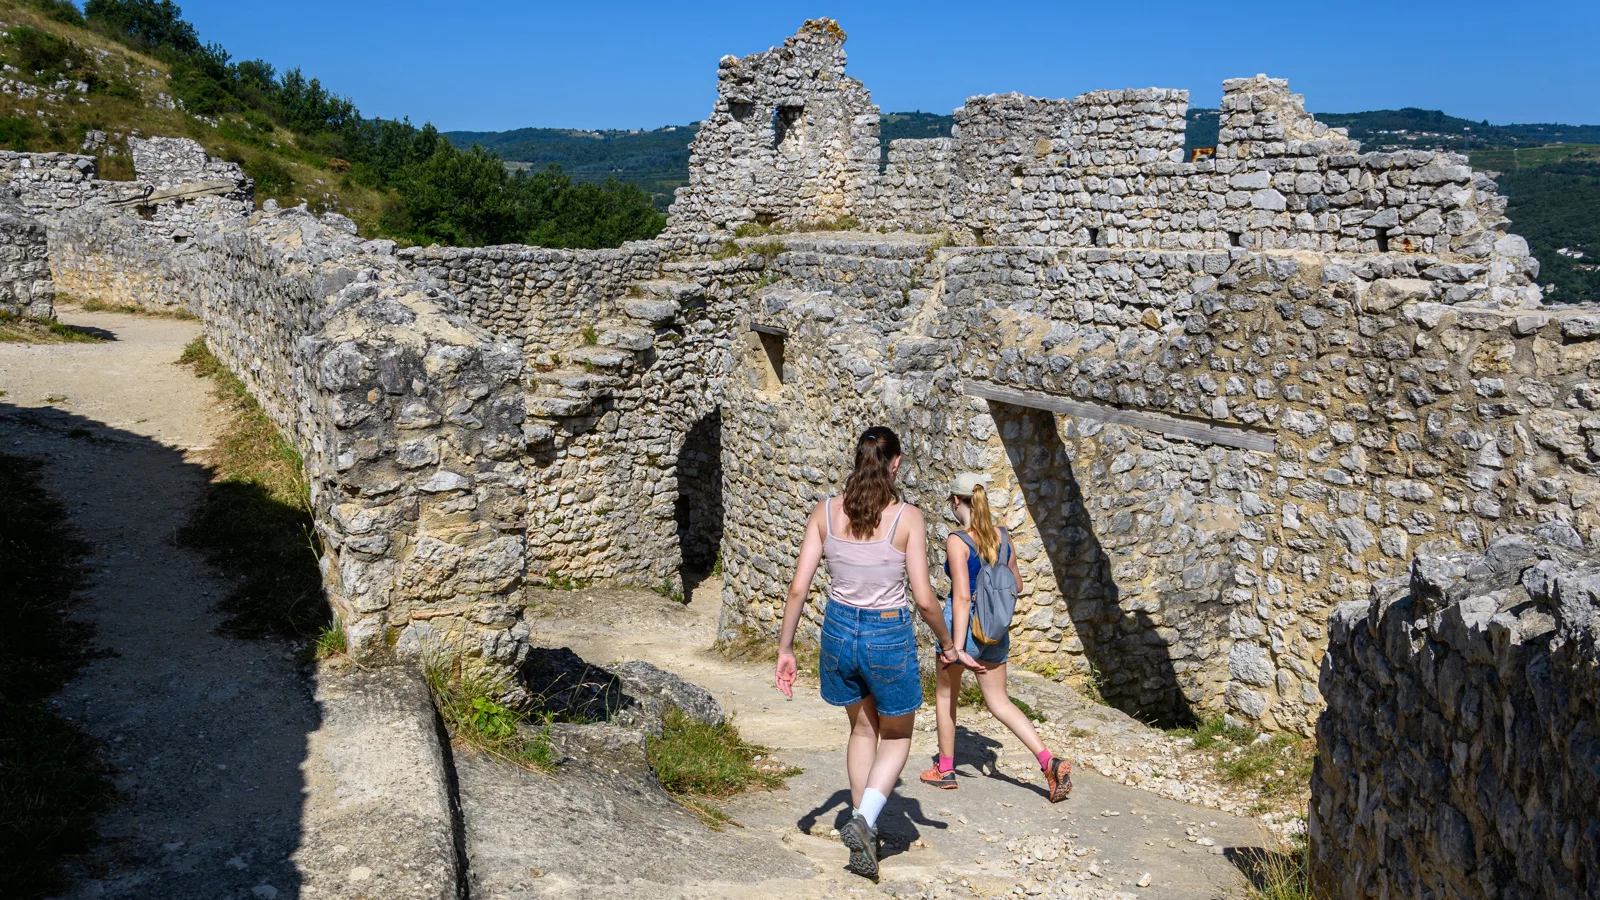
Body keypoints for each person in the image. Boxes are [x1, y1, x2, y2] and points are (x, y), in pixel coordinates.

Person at [774, 426, 974, 882]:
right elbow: (924, 599)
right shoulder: (908, 518)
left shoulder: (824, 513)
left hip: (838, 630)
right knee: (897, 736)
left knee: (862, 730)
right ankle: (865, 820)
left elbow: (798, 588)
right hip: (886, 632)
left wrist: (785, 648)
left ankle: (861, 825)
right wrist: (949, 644)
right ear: (896, 463)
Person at [919, 472, 1072, 803]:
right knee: (1000, 702)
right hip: (994, 630)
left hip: (963, 631)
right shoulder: (1003, 536)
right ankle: (1048, 761)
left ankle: (945, 770)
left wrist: (957, 648)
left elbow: (962, 598)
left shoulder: (958, 541)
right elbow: (1017, 585)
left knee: (946, 697)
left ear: (956, 501)